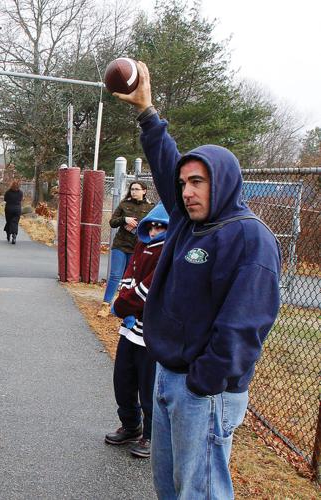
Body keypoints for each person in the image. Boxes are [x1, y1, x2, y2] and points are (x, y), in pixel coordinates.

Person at [114, 61, 281, 499]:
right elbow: (166, 159)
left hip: (204, 390)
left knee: (201, 492)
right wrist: (148, 114)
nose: (187, 191)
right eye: (184, 183)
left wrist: (204, 381)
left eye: (198, 182)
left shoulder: (248, 237)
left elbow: (246, 325)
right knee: (170, 488)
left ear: (222, 183)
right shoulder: (188, 222)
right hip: (169, 377)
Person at [105, 202, 168, 460]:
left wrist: (123, 304)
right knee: (123, 380)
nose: (154, 230)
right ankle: (131, 425)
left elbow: (150, 290)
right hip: (130, 328)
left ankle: (152, 435)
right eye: (151, 224)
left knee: (149, 386)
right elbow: (130, 278)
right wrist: (125, 303)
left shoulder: (169, 252)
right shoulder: (142, 245)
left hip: (152, 333)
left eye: (161, 225)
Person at [98, 181, 154, 317]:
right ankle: (105, 305)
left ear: (144, 191)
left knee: (130, 278)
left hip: (138, 247)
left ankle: (122, 308)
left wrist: (139, 226)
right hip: (121, 245)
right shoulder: (124, 204)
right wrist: (125, 220)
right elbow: (112, 222)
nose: (134, 191)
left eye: (137, 189)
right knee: (115, 275)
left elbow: (153, 226)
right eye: (132, 189)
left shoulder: (151, 207)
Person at [3, 180, 23, 244]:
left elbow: (5, 199)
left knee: (9, 222)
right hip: (17, 209)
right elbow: (20, 199)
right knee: (15, 222)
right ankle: (14, 235)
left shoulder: (8, 192)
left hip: (9, 209)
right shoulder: (20, 192)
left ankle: (8, 234)